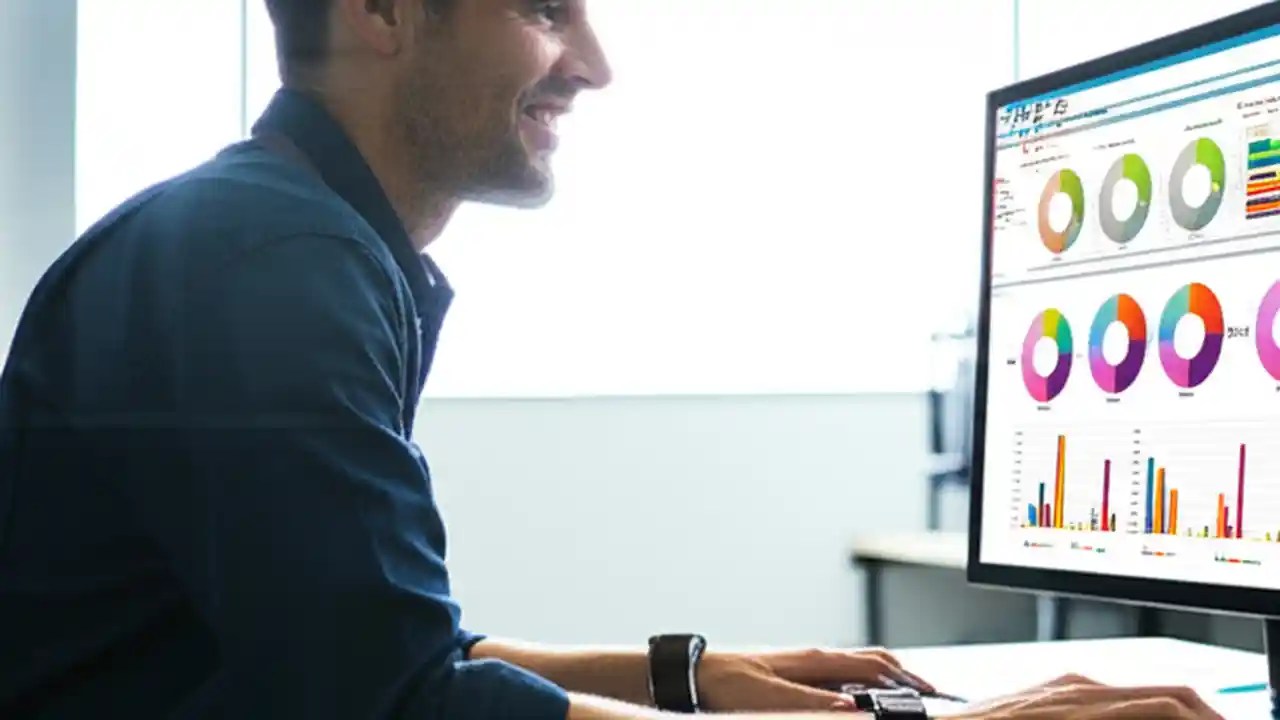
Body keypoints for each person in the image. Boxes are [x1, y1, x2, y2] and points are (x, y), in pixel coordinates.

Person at [0, 1, 1223, 719]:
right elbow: (407, 706)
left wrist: (691, 675)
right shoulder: (265, 264)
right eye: (543, 8)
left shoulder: (273, 235)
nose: (592, 62)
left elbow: (375, 647)